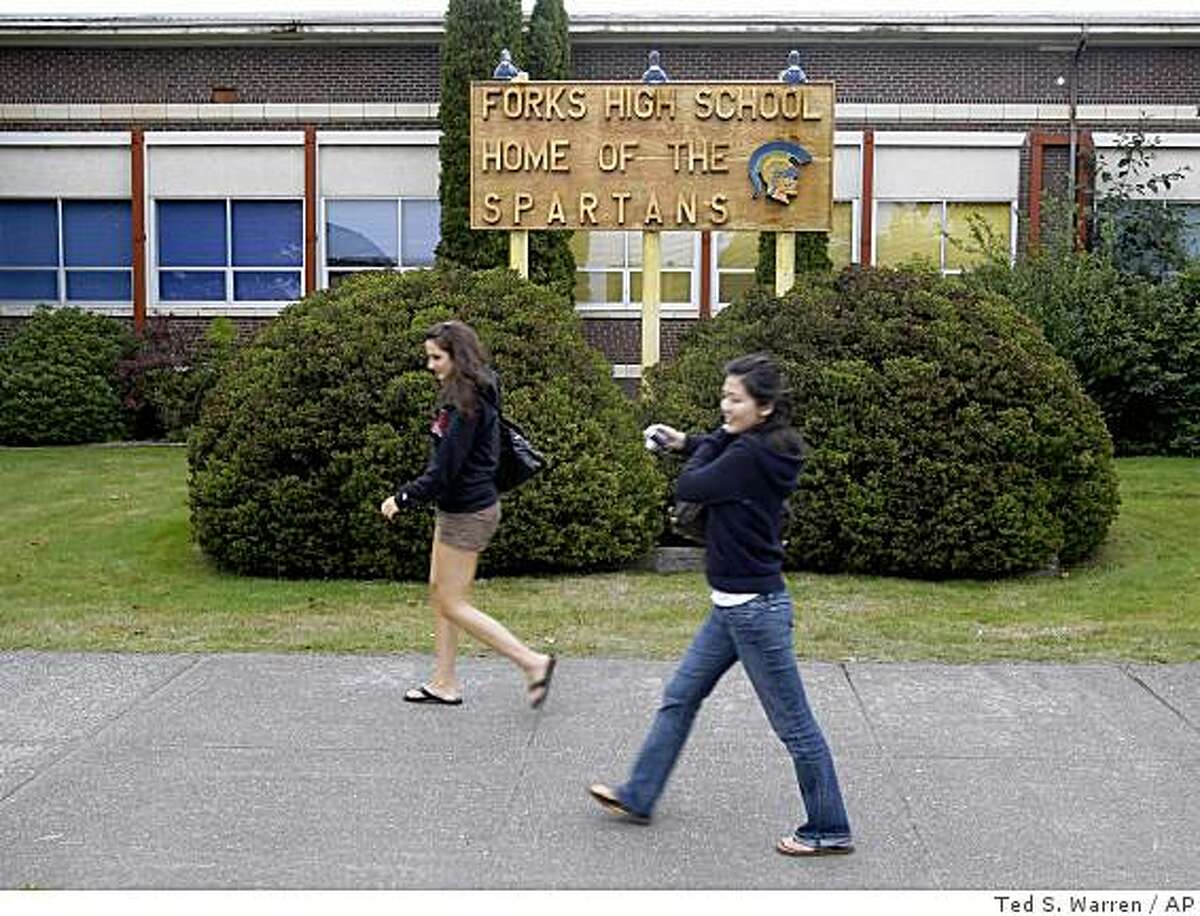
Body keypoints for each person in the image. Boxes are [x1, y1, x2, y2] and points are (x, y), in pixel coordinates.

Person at [588, 353, 854, 857]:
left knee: (794, 726)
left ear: (766, 407)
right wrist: (688, 440)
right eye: (723, 397)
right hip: (731, 608)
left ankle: (828, 826)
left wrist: (694, 449)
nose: (725, 407)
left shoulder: (752, 456)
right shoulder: (753, 445)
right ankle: (639, 795)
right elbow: (717, 449)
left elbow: (692, 484)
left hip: (755, 612)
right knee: (680, 696)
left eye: (736, 400)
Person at [380, 320, 555, 708]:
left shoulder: (465, 405)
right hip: (460, 509)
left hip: (468, 513)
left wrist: (403, 498)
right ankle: (444, 682)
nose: (430, 365)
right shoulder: (470, 391)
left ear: (457, 357)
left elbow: (444, 472)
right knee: (440, 595)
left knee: (453, 603)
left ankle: (533, 662)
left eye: (436, 357)